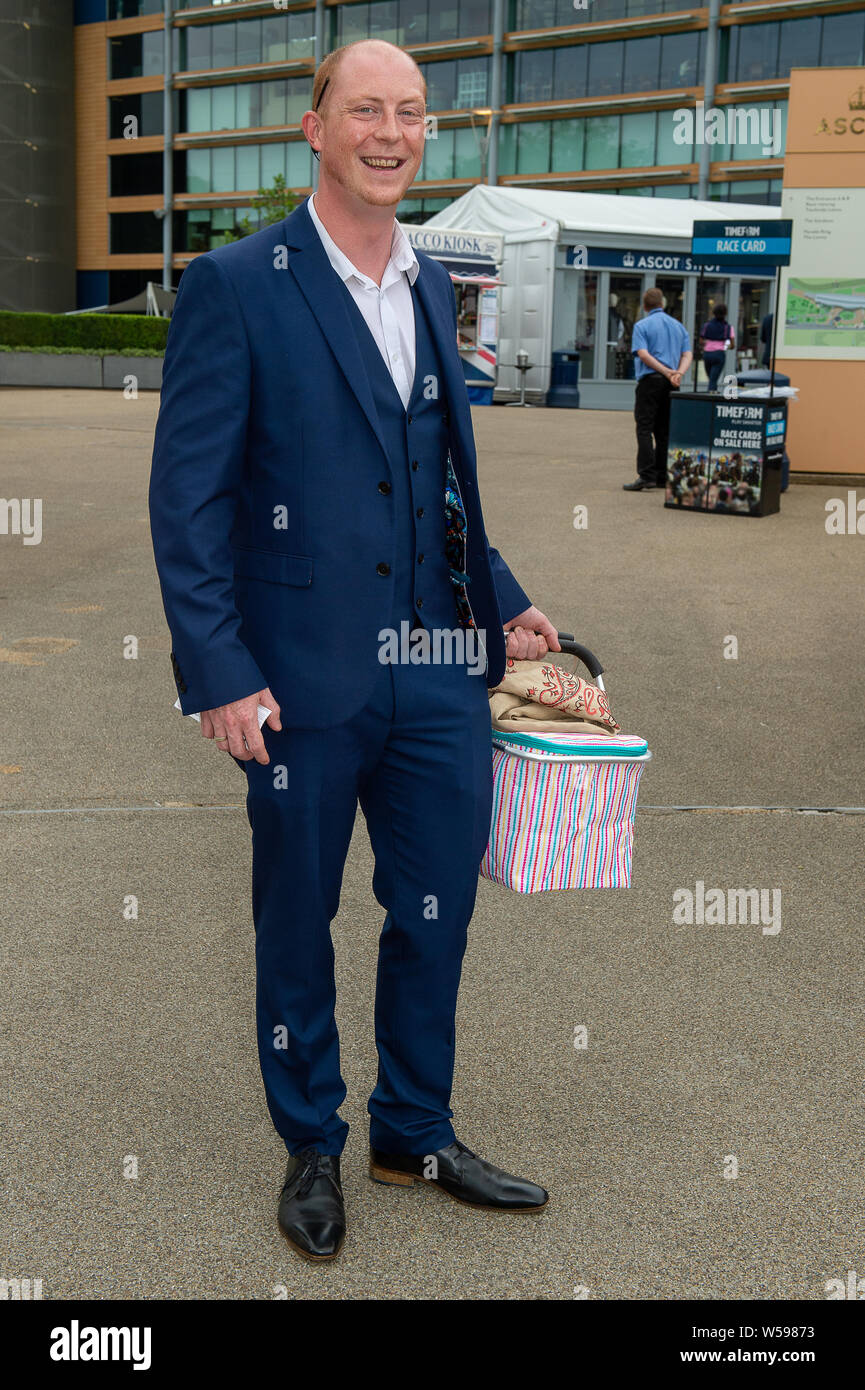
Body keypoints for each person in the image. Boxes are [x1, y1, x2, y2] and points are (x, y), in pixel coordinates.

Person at [149, 39, 558, 1264]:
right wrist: (218, 666)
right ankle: (312, 1142)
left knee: (433, 911)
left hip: (434, 662)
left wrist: (507, 602)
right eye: (365, 110)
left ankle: (413, 1130)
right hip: (298, 672)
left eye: (412, 115)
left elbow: (433, 482)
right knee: (296, 917)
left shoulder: (431, 281)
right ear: (315, 127)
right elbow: (189, 500)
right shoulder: (239, 282)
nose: (391, 133)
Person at [623, 287, 692, 492]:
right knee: (664, 430)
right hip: (671, 383)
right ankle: (663, 475)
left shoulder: (641, 326)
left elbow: (643, 354)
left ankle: (646, 475)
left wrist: (665, 371)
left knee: (644, 428)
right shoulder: (679, 326)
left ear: (644, 306)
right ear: (662, 304)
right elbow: (687, 354)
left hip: (650, 381)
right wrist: (677, 373)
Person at [699, 302, 734, 392]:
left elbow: (701, 341)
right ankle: (711, 398)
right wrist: (725, 347)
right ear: (725, 314)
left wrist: (706, 345)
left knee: (711, 378)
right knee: (713, 379)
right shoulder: (728, 327)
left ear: (713, 313)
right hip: (719, 354)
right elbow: (732, 345)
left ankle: (712, 393)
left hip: (707, 354)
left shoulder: (706, 326)